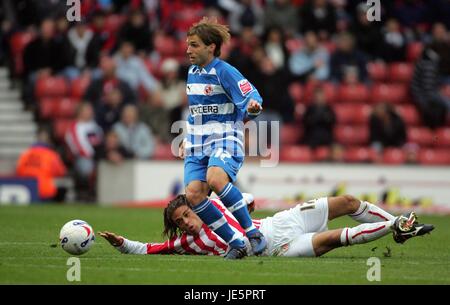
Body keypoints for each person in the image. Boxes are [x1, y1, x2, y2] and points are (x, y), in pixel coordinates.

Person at [100, 193, 434, 257]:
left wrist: (246, 203)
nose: (185, 224)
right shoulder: (189, 245)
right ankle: (398, 227)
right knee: (338, 238)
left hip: (280, 223)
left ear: (195, 208)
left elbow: (245, 198)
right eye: (179, 223)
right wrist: (121, 243)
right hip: (280, 250)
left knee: (346, 203)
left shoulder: (213, 203)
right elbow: (149, 249)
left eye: (186, 215)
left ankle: (399, 225)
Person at [179, 17, 266, 259]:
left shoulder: (225, 71)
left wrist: (252, 107)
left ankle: (253, 233)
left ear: (211, 47)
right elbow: (198, 111)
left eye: (194, 45)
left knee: (215, 179)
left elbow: (252, 97)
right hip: (197, 143)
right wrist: (189, 138)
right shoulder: (192, 72)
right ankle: (235, 242)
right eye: (188, 44)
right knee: (194, 195)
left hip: (225, 137)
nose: (188, 50)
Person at [16, 127, 67, 202]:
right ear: (49, 141)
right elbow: (61, 172)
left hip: (26, 190)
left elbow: (18, 171)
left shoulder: (25, 154)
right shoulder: (51, 155)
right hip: (44, 191)